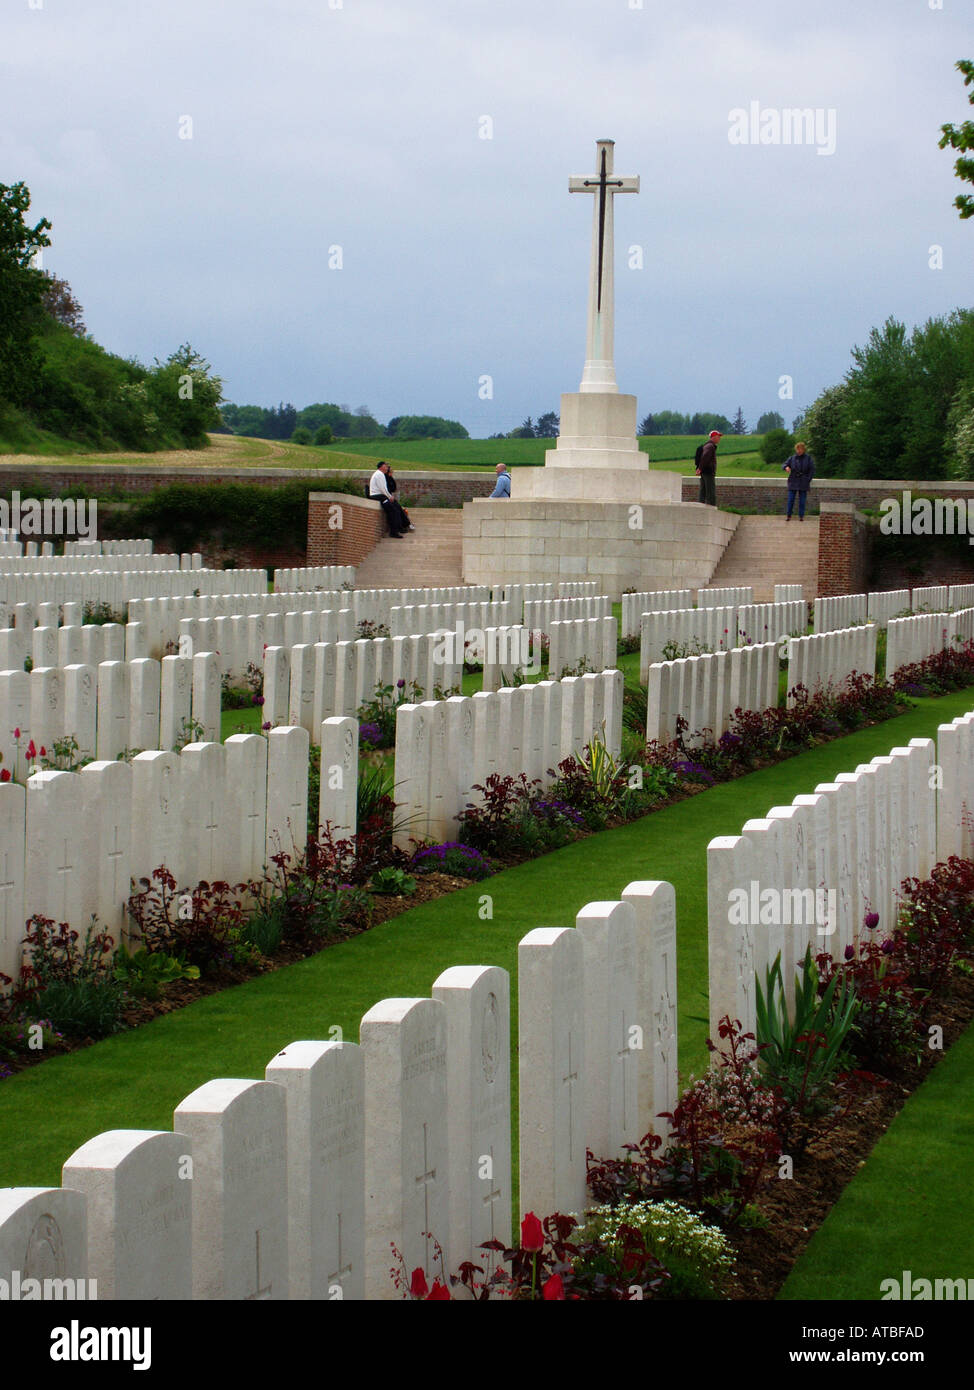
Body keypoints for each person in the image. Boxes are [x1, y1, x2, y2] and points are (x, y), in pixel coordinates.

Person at [368, 461, 408, 537]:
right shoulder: (379, 474)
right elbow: (383, 488)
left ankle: (400, 527)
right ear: (381, 467)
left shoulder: (380, 474)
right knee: (393, 510)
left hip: (380, 496)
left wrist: (389, 496)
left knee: (395, 508)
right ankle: (394, 532)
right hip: (378, 496)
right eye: (386, 466)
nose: (387, 468)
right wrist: (390, 497)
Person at [783, 441, 815, 521]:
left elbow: (812, 470)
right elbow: (784, 464)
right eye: (797, 449)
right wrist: (786, 467)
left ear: (804, 449)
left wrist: (808, 479)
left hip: (803, 481)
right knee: (791, 499)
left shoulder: (808, 458)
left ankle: (801, 516)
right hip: (793, 480)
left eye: (800, 449)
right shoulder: (792, 458)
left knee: (802, 501)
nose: (799, 451)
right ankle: (788, 515)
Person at [385, 466, 416, 531]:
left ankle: (406, 524)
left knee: (399, 509)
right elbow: (390, 489)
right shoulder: (386, 479)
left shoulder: (389, 478)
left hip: (390, 497)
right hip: (388, 498)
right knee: (397, 509)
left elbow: (393, 488)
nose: (391, 474)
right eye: (391, 473)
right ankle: (406, 525)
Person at [695, 430, 720, 506]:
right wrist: (700, 468)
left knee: (703, 491)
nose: (719, 438)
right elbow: (705, 457)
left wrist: (700, 469)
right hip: (708, 472)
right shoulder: (710, 446)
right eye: (718, 436)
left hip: (704, 471)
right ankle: (711, 508)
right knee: (710, 491)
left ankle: (700, 506)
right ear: (713, 437)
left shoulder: (707, 445)